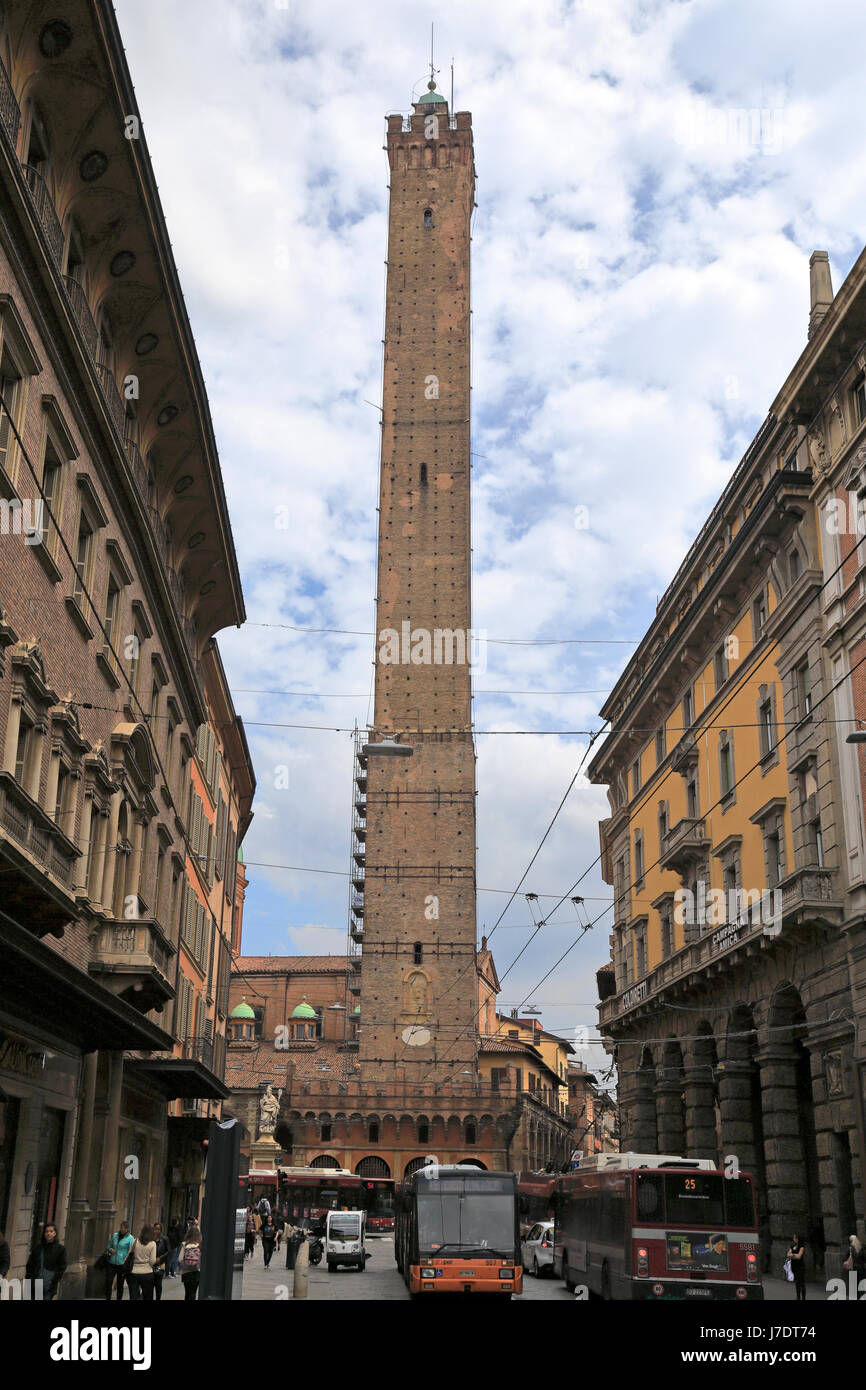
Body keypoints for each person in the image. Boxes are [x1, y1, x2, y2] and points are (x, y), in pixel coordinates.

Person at [26, 1224, 67, 1300]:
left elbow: (62, 1267)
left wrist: (54, 1281)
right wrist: (28, 1283)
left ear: (55, 1233)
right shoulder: (38, 1248)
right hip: (36, 1284)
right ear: (44, 1234)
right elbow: (29, 1266)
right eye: (46, 1231)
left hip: (50, 1286)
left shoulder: (60, 1249)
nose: (48, 1233)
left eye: (51, 1231)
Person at [104, 1220, 134, 1301]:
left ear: (127, 1229)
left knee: (120, 1284)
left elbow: (130, 1251)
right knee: (108, 1281)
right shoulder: (115, 1235)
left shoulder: (130, 1238)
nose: (122, 1229)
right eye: (121, 1227)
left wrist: (126, 1261)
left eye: (124, 1228)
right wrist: (110, 1249)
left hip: (122, 1264)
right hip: (112, 1262)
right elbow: (108, 1246)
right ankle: (108, 1298)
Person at [128, 1225, 157, 1301]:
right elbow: (152, 1261)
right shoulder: (152, 1244)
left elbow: (129, 1255)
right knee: (147, 1296)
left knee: (134, 1296)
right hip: (147, 1272)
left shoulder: (135, 1241)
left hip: (134, 1271)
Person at [179, 1221, 202, 1300]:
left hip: (186, 1272)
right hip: (196, 1272)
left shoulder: (184, 1244)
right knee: (193, 1293)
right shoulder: (200, 1245)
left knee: (187, 1293)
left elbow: (180, 1259)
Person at [152, 1222, 170, 1300]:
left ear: (161, 1230)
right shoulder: (150, 1239)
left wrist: (160, 1258)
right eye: (155, 1229)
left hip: (160, 1264)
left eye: (158, 1229)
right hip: (151, 1265)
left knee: (158, 1284)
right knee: (150, 1285)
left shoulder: (164, 1239)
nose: (157, 1231)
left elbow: (169, 1252)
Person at [786, 1233, 806, 1301]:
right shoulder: (792, 1246)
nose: (793, 1239)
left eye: (794, 1238)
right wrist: (794, 1255)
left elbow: (799, 1256)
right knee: (797, 1283)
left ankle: (803, 1298)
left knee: (801, 1283)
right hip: (794, 1267)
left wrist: (792, 1255)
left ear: (798, 1239)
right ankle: (798, 1297)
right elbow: (788, 1254)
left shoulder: (802, 1247)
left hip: (800, 1267)